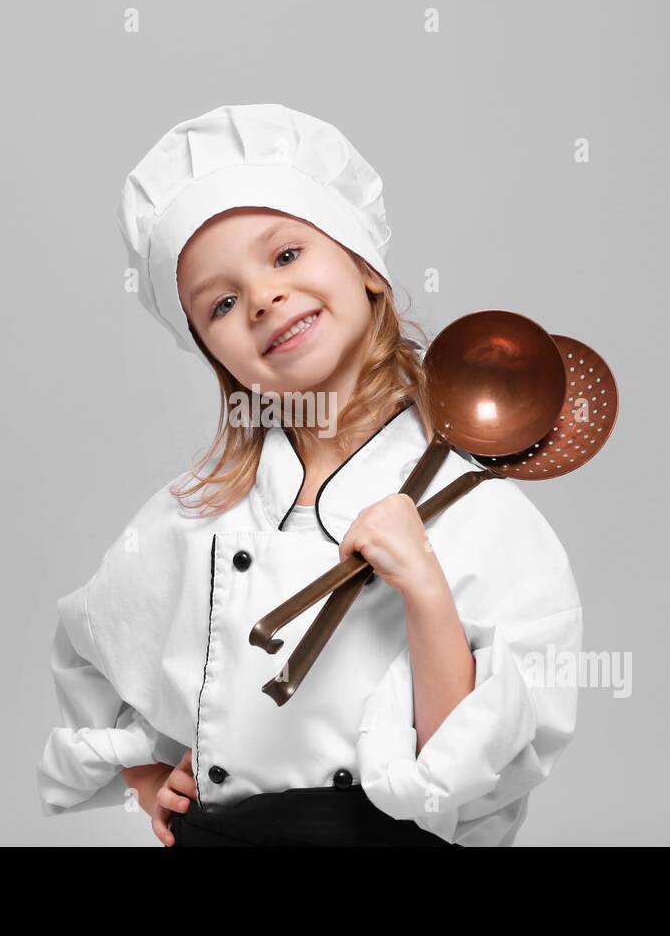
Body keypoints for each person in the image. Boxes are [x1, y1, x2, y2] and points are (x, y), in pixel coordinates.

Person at [37, 104, 583, 846]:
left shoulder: (478, 510)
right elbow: (92, 641)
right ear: (215, 354)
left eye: (286, 255)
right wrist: (141, 774)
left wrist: (422, 585)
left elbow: (459, 773)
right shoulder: (201, 512)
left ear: (366, 267)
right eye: (222, 303)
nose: (262, 297)